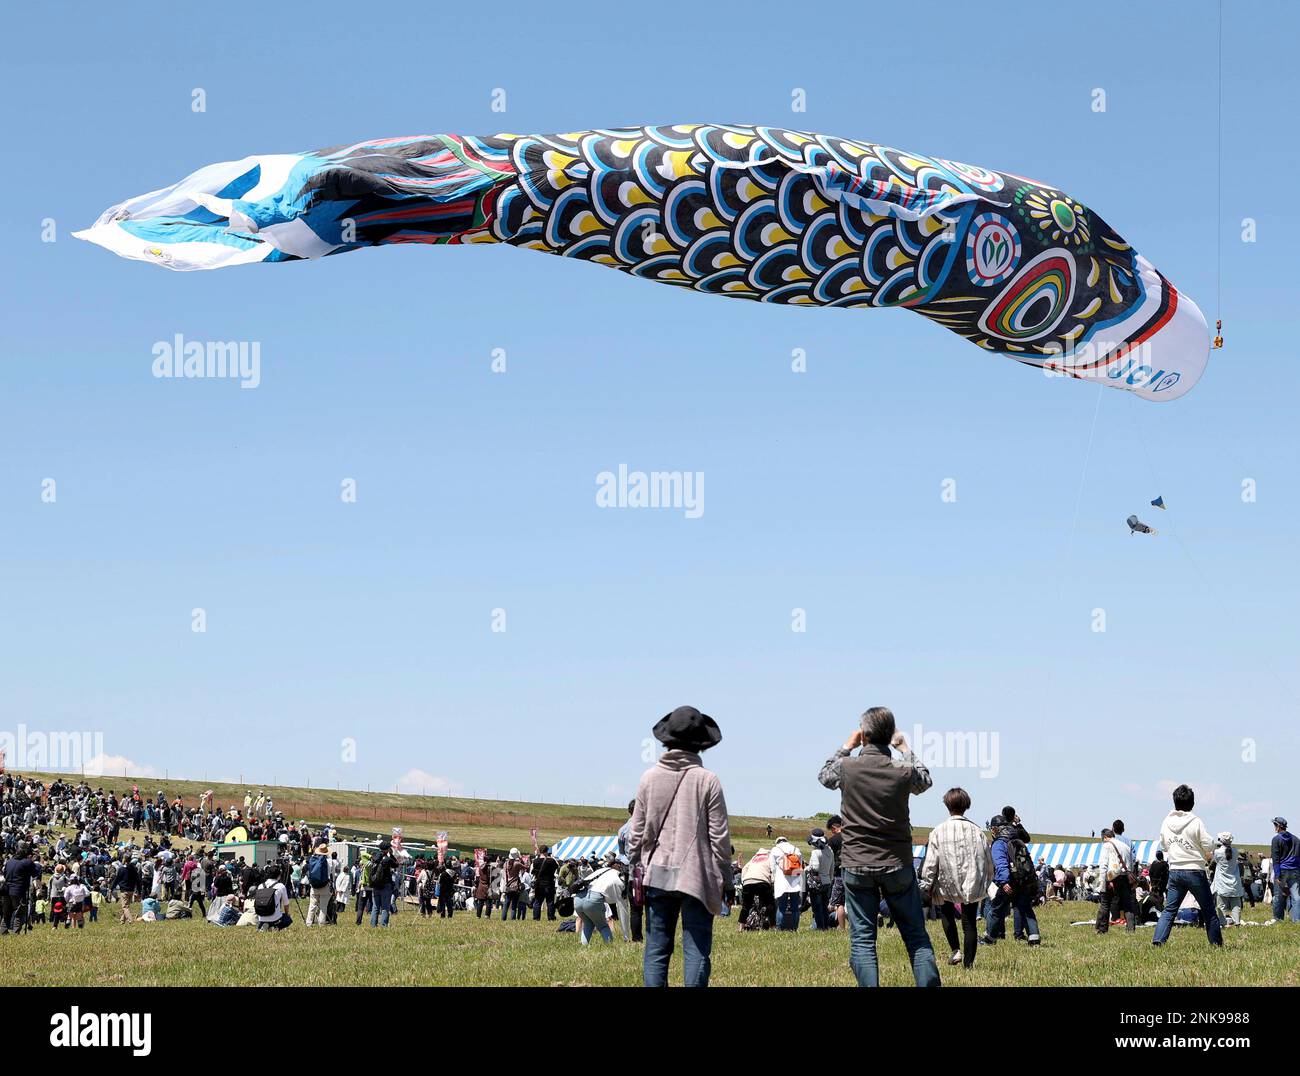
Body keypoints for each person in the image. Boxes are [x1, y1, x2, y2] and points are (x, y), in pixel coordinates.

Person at [817, 706, 939, 987]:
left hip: (856, 862)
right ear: (891, 735)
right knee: (916, 936)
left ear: (864, 736)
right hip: (897, 862)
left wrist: (846, 747)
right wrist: (905, 748)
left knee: (862, 940)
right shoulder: (902, 770)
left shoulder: (847, 768)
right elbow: (925, 781)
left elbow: (824, 776)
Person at [626, 705, 731, 988]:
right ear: (701, 744)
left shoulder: (649, 778)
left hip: (657, 873)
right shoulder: (708, 780)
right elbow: (719, 838)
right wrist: (726, 877)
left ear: (667, 740)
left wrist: (634, 867)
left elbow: (635, 834)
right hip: (697, 875)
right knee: (696, 950)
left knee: (656, 950)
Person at [918, 787, 993, 969]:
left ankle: (955, 950)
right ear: (966, 805)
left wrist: (926, 883)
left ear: (947, 805)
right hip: (971, 882)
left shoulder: (938, 831)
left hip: (946, 881)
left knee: (947, 914)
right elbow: (987, 860)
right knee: (970, 922)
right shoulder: (977, 831)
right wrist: (986, 881)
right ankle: (968, 965)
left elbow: (931, 862)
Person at [1151, 784, 1222, 948]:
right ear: (1192, 803)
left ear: (1174, 801)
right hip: (1194, 870)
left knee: (1170, 910)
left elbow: (1163, 845)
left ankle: (1158, 941)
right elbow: (1209, 844)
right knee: (1208, 910)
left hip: (1175, 870)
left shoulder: (1166, 821)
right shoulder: (1195, 821)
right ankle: (1216, 944)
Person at [982, 812, 1042, 948]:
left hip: (1008, 882)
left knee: (996, 910)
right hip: (1024, 881)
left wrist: (1004, 882)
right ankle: (1034, 940)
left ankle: (989, 939)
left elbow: (1001, 864)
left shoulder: (999, 843)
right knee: (1026, 909)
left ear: (995, 829)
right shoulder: (1018, 839)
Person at [571, 856, 629, 945]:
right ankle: (610, 946)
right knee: (602, 926)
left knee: (588, 924)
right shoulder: (619, 878)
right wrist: (626, 936)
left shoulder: (600, 871)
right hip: (593, 899)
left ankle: (583, 945)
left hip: (578, 899)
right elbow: (622, 909)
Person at [1096, 821, 1137, 934]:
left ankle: (1102, 929)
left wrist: (1102, 883)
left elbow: (1103, 865)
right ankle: (1131, 929)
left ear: (1105, 837)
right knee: (1128, 905)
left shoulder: (1106, 845)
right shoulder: (1126, 846)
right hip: (1125, 877)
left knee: (1105, 904)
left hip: (1112, 877)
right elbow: (1131, 864)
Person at [1266, 816, 1299, 925]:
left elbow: (1276, 859)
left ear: (1278, 826)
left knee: (1278, 897)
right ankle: (1297, 920)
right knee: (1296, 896)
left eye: (1275, 825)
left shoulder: (1276, 839)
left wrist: (1277, 875)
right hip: (1295, 870)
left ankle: (1278, 919)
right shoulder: (1296, 839)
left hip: (1282, 870)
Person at [769, 835, 805, 931]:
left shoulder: (775, 850)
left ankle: (779, 928)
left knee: (781, 907)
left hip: (782, 881)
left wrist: (774, 879)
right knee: (795, 907)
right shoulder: (796, 849)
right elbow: (800, 865)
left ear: (777, 842)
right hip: (795, 881)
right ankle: (794, 928)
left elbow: (772, 867)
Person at [1211, 832, 1245, 927]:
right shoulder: (1235, 851)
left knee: (1221, 905)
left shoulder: (1217, 852)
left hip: (1222, 882)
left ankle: (1223, 923)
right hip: (1234, 881)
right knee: (1236, 904)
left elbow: (1215, 862)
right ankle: (1237, 922)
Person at [806, 829, 835, 930]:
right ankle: (825, 926)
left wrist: (807, 868)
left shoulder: (815, 852)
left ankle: (820, 927)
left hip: (817, 883)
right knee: (824, 907)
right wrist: (830, 880)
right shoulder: (830, 851)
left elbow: (815, 867)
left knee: (817, 908)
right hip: (827, 881)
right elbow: (832, 868)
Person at [739, 848, 775, 929]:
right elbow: (773, 870)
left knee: (746, 906)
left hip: (748, 881)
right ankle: (773, 926)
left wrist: (744, 881)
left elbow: (744, 869)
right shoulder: (770, 857)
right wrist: (772, 882)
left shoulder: (754, 858)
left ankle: (741, 927)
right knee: (770, 904)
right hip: (762, 881)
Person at [254, 864, 292, 931]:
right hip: (275, 917)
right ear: (279, 875)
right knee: (288, 919)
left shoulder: (261, 886)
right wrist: (286, 914)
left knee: (266, 919)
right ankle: (275, 927)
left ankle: (264, 925)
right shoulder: (280, 886)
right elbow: (286, 904)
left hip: (261, 917)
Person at [368, 842, 397, 927]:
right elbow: (396, 864)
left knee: (375, 907)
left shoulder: (375, 857)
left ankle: (373, 925)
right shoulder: (387, 859)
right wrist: (391, 854)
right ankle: (383, 924)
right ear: (387, 849)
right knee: (385, 907)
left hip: (375, 885)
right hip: (385, 885)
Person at [532, 846, 558, 921]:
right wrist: (552, 858)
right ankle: (551, 918)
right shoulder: (551, 861)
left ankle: (536, 918)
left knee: (537, 902)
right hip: (549, 883)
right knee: (550, 902)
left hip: (539, 884)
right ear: (547, 851)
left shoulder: (535, 861)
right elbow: (557, 866)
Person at [500, 849, 526, 921]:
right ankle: (513, 918)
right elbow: (526, 867)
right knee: (514, 905)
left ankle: (503, 918)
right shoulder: (517, 863)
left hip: (508, 886)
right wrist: (521, 858)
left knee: (506, 903)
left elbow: (504, 876)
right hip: (515, 886)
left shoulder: (505, 864)